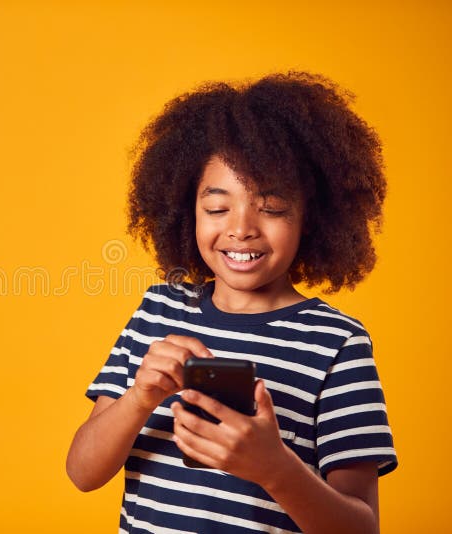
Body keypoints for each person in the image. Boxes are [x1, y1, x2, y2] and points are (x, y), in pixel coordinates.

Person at [66, 72, 397, 533]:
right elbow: (82, 473)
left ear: (313, 218)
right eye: (218, 208)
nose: (241, 228)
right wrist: (139, 399)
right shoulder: (157, 313)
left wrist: (275, 469)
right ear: (187, 212)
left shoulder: (338, 345)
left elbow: (361, 528)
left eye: (272, 208)